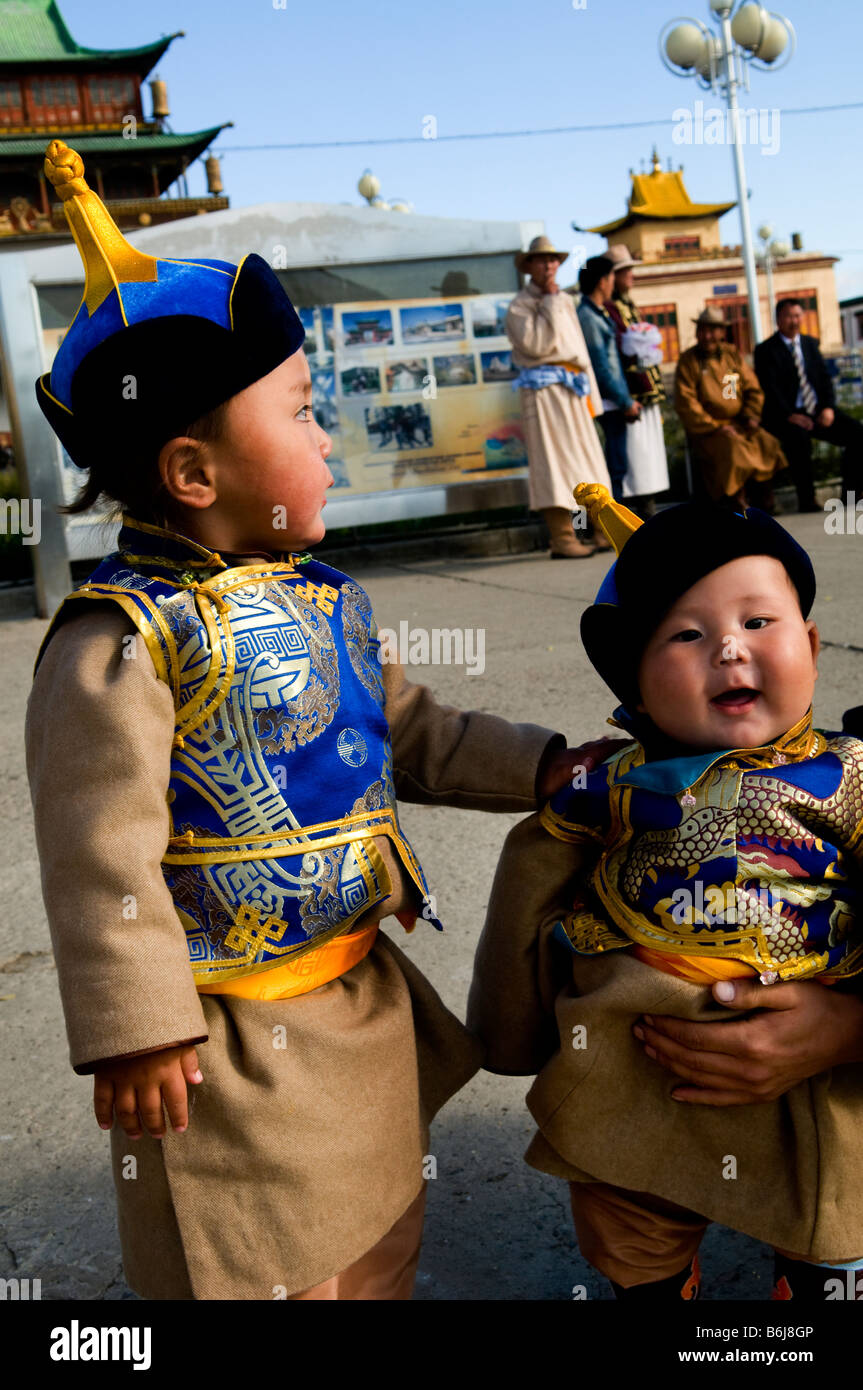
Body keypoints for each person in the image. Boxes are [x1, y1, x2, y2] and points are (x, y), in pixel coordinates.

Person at [24, 140, 593, 1302]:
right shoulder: (122, 637)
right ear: (193, 470)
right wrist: (137, 1024)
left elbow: (410, 730)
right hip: (224, 1047)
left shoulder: (321, 598)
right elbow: (99, 851)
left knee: (376, 1237)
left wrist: (543, 765)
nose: (327, 433)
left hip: (354, 1000)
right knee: (257, 1265)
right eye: (298, 409)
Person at [469, 483, 863, 1300]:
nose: (727, 648)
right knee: (627, 1214)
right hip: (635, 1059)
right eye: (686, 634)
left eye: (758, 623)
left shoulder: (849, 777)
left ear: (813, 645)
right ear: (637, 695)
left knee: (833, 1206)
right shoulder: (614, 789)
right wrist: (512, 1031)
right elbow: (529, 893)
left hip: (810, 1071)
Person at [506, 235, 611, 559]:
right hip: (543, 390)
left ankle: (601, 530)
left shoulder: (566, 299)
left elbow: (578, 348)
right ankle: (563, 536)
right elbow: (537, 345)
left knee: (585, 459)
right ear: (530, 267)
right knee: (553, 463)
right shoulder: (519, 306)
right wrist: (549, 302)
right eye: (541, 260)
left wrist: (591, 393)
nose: (549, 266)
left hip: (573, 387)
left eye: (553, 260)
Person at [754, 298, 863, 512]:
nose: (793, 321)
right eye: (788, 316)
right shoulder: (766, 350)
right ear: (778, 320)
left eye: (797, 316)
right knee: (799, 439)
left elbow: (824, 380)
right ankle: (807, 500)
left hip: (817, 410)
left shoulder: (810, 344)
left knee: (857, 434)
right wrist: (790, 415)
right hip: (786, 416)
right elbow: (770, 388)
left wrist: (828, 408)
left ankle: (849, 497)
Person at [675, 307, 784, 507]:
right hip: (709, 430)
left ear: (722, 332)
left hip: (739, 422)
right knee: (734, 449)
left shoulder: (730, 356)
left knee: (766, 442)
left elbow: (751, 388)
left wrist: (751, 415)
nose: (707, 336)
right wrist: (715, 426)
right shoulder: (688, 361)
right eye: (702, 330)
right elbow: (686, 402)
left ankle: (764, 499)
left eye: (712, 330)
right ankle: (736, 501)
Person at [603, 244, 670, 517]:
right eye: (624, 270)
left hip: (645, 387)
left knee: (648, 456)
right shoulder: (609, 308)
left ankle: (647, 509)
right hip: (631, 392)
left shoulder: (628, 304)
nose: (631, 275)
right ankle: (636, 515)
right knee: (634, 458)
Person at [576, 255, 642, 506]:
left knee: (616, 464)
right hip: (607, 402)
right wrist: (625, 401)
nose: (613, 284)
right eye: (612, 278)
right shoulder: (589, 318)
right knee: (612, 465)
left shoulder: (597, 313)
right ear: (602, 281)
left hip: (612, 399)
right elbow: (601, 369)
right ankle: (607, 525)